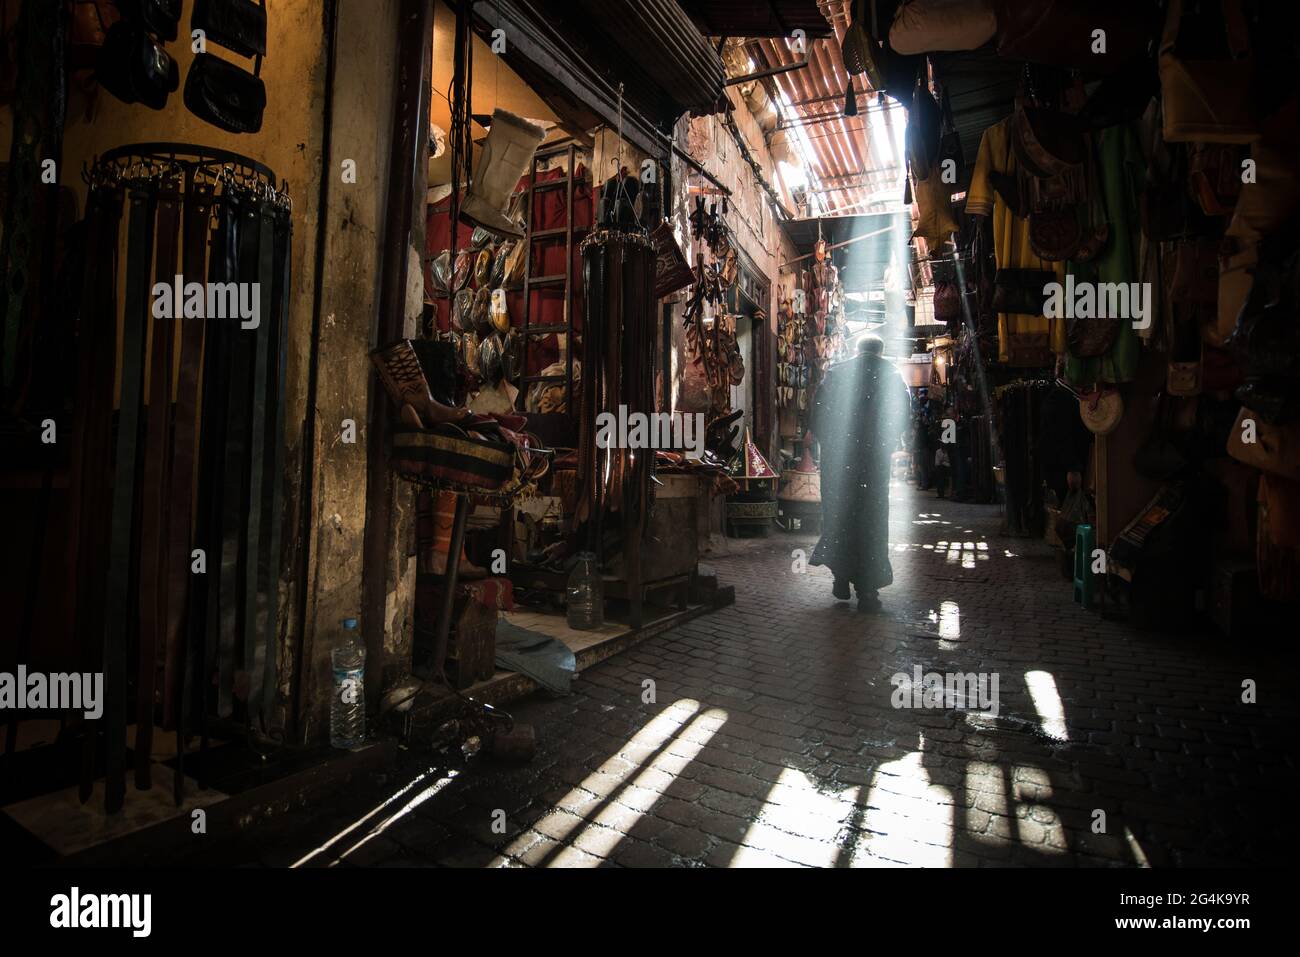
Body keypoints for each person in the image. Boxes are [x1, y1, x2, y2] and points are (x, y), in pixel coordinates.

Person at [810, 334, 910, 612]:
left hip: (839, 462)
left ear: (856, 350)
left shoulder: (836, 373)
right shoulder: (891, 375)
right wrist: (884, 444)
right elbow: (903, 416)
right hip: (873, 464)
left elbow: (816, 413)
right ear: (882, 351)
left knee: (838, 515)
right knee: (872, 520)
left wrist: (830, 445)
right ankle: (868, 592)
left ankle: (840, 578)